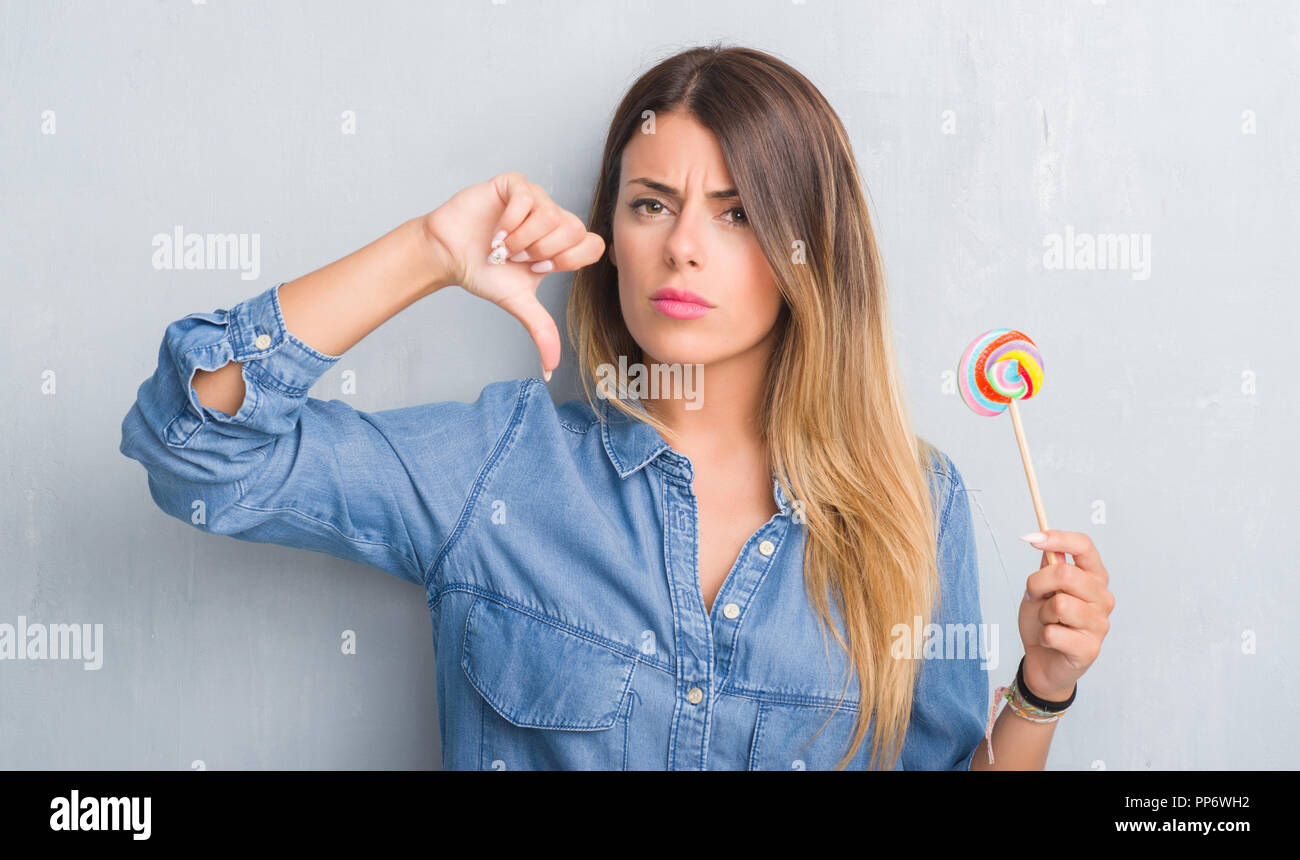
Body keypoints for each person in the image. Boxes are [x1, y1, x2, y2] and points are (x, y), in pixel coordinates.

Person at [120, 43, 1113, 770]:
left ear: (807, 251)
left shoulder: (914, 498)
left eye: (736, 212)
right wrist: (426, 251)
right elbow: (196, 450)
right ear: (613, 235)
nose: (683, 245)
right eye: (651, 203)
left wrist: (1040, 688)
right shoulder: (497, 466)